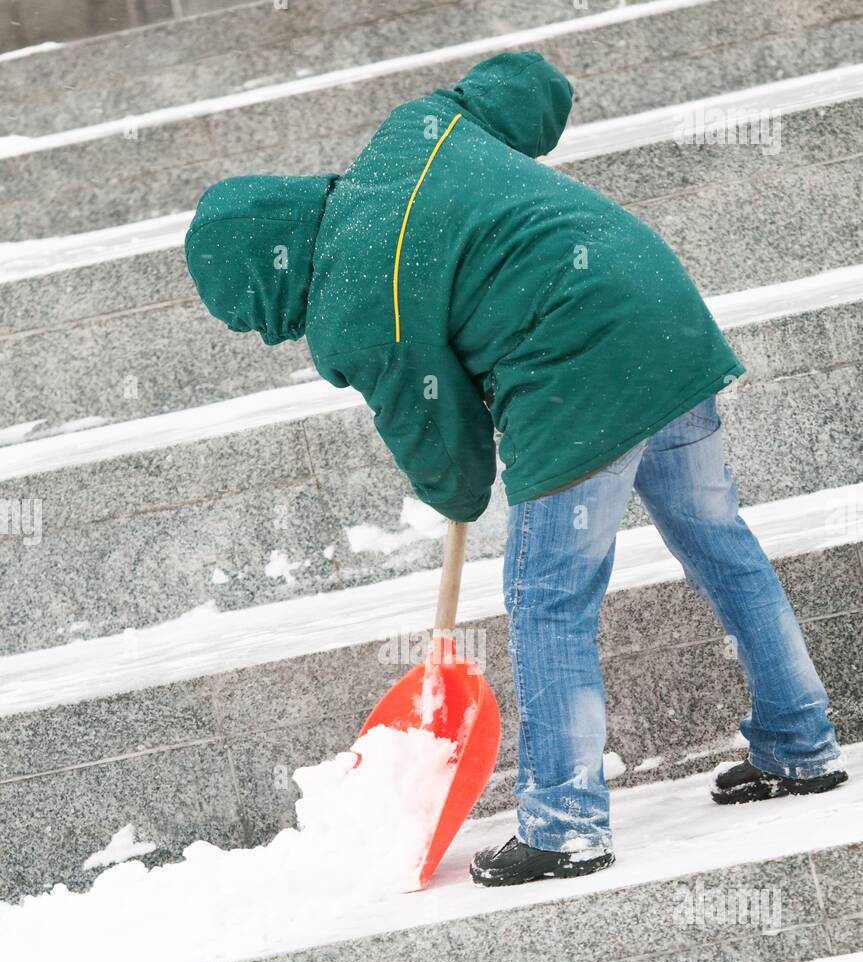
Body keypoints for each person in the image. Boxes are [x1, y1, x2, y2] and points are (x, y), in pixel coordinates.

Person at [185, 51, 846, 889]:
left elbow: (440, 441)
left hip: (577, 377)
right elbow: (524, 90)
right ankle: (799, 746)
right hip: (661, 315)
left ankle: (564, 824)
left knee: (547, 602)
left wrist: (455, 489)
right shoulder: (411, 136)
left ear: (269, 274)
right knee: (719, 541)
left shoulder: (352, 298)